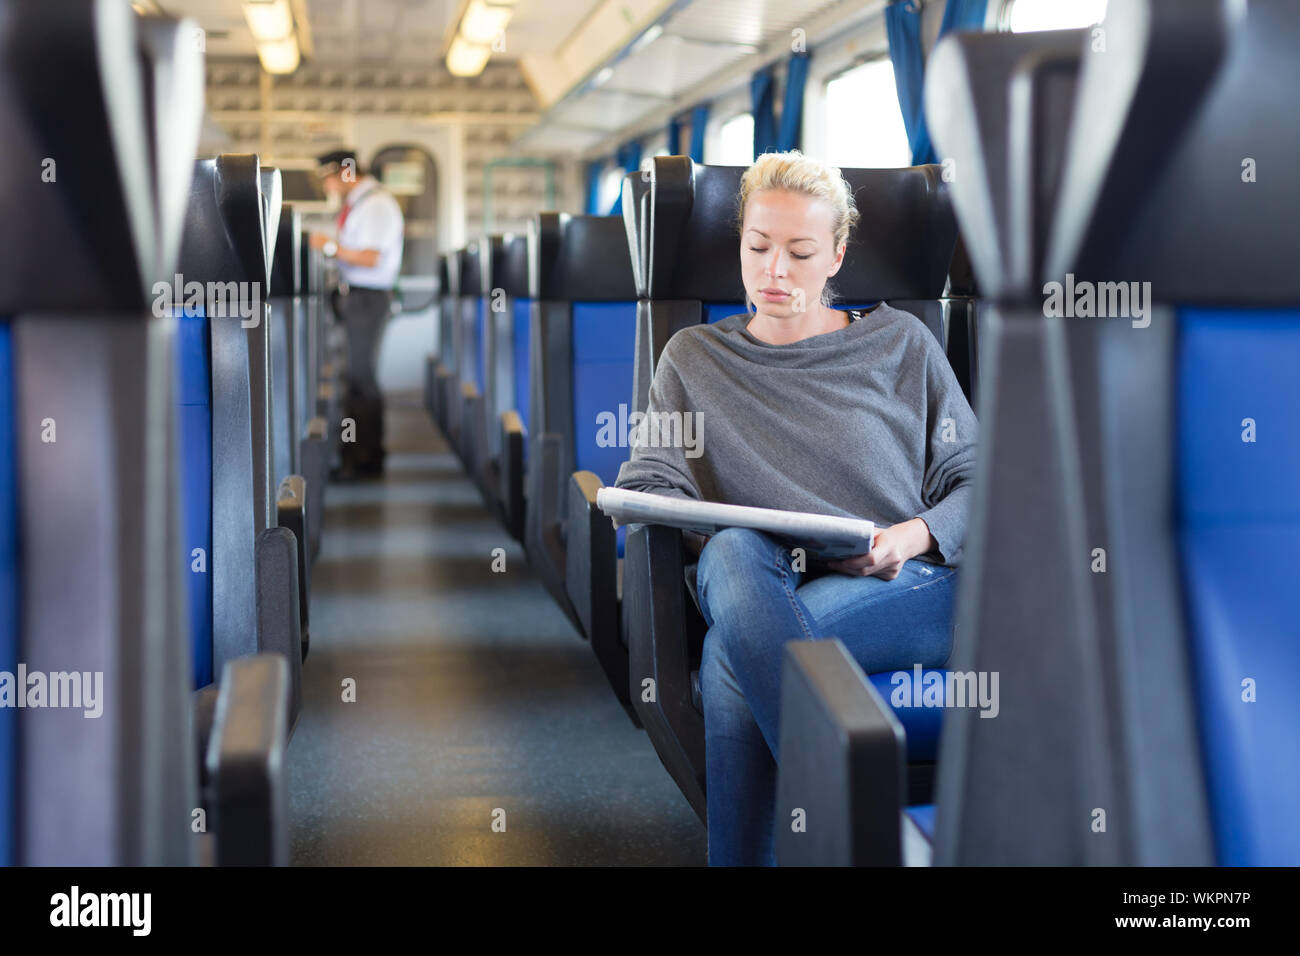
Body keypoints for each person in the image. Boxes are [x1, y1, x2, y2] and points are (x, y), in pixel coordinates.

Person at [614, 150, 977, 866]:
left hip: (905, 581)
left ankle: (841, 820)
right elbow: (652, 483)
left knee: (730, 657)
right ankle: (855, 826)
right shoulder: (693, 358)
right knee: (731, 552)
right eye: (758, 247)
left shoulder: (902, 344)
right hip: (758, 579)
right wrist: (701, 513)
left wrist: (910, 537)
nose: (774, 271)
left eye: (801, 253)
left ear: (836, 255)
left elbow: (978, 480)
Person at [309, 149, 405, 479]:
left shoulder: (376, 204)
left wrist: (329, 246)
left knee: (361, 378)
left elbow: (370, 258)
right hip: (356, 297)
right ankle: (357, 453)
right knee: (354, 377)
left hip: (368, 298)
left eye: (328, 179)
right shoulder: (361, 204)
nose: (327, 187)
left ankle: (365, 458)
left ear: (344, 172)